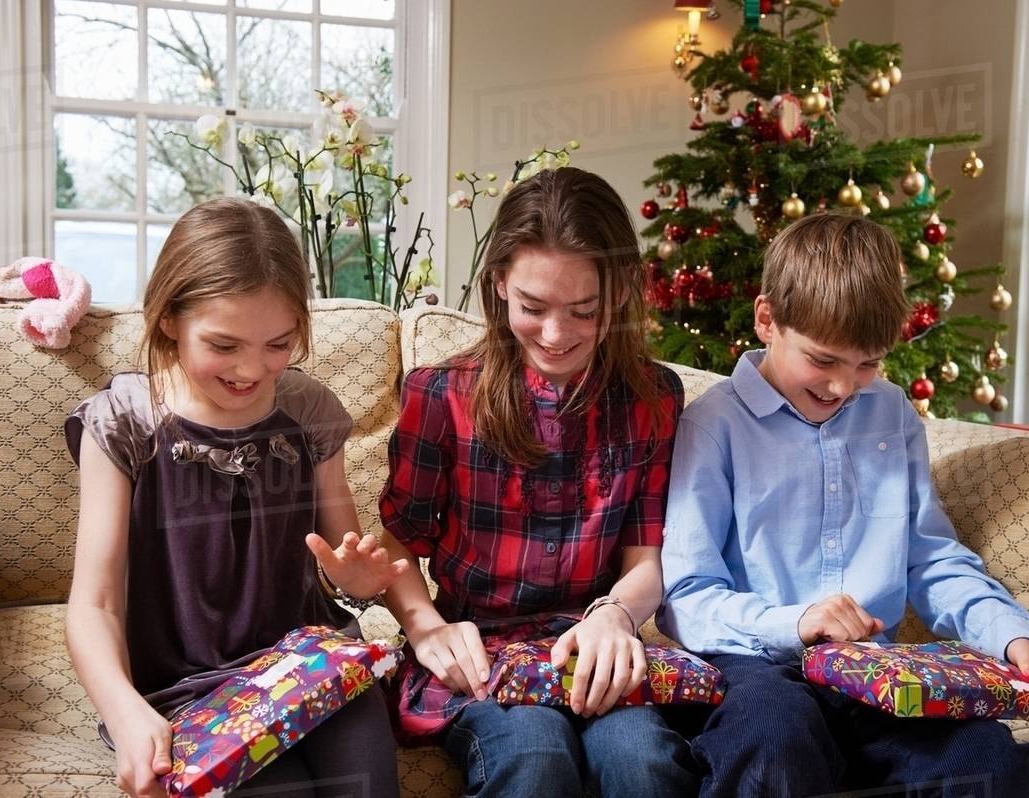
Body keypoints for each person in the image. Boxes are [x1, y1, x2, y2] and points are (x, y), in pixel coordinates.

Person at [657, 212, 1029, 798]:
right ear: (767, 319)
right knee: (776, 734)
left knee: (986, 754)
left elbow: (930, 559)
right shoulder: (712, 427)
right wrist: (797, 621)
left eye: (867, 363)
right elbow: (685, 599)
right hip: (755, 668)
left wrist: (1012, 638)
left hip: (874, 674)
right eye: (822, 360)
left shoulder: (891, 413)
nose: (843, 386)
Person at [64, 197, 406, 798]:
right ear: (169, 318)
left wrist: (355, 580)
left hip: (309, 665)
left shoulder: (308, 411)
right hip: (182, 687)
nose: (253, 370)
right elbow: (94, 604)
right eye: (224, 345)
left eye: (278, 344)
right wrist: (123, 711)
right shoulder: (123, 424)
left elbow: (344, 560)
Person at [378, 166, 698, 797]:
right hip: (481, 651)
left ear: (623, 291)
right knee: (534, 758)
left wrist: (614, 618)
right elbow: (396, 543)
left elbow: (646, 559)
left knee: (646, 765)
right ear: (498, 284)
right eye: (532, 307)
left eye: (585, 310)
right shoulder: (441, 394)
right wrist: (424, 627)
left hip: (596, 643)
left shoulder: (654, 397)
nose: (556, 335)